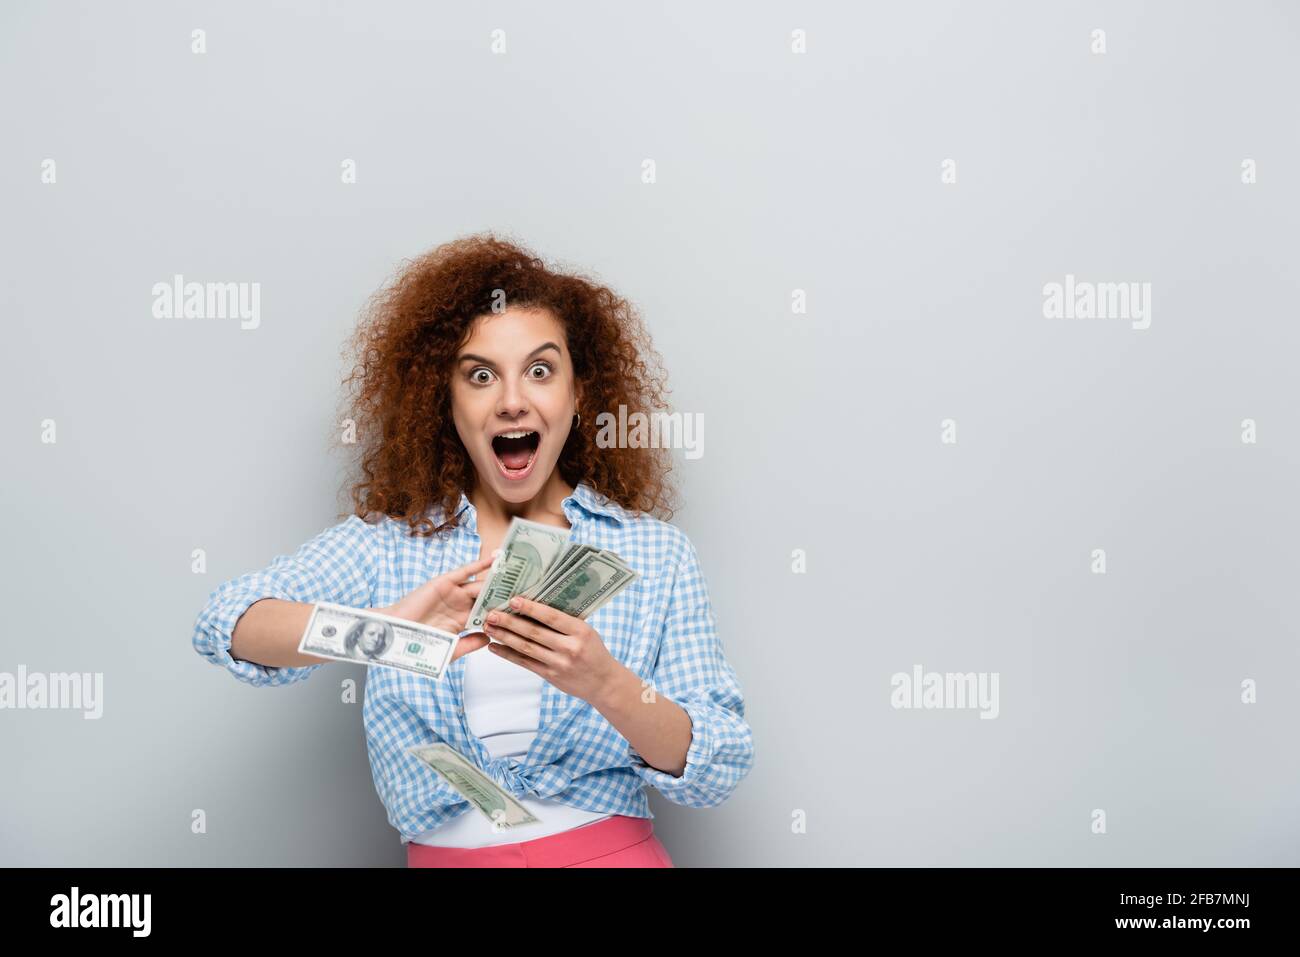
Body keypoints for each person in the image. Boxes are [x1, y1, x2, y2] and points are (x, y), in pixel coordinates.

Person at [191, 233, 754, 867]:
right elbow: (226, 624)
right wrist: (381, 632)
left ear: (578, 393)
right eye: (481, 376)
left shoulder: (654, 552)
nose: (512, 399)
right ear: (447, 401)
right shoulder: (387, 545)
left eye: (540, 371)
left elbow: (721, 763)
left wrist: (607, 685)